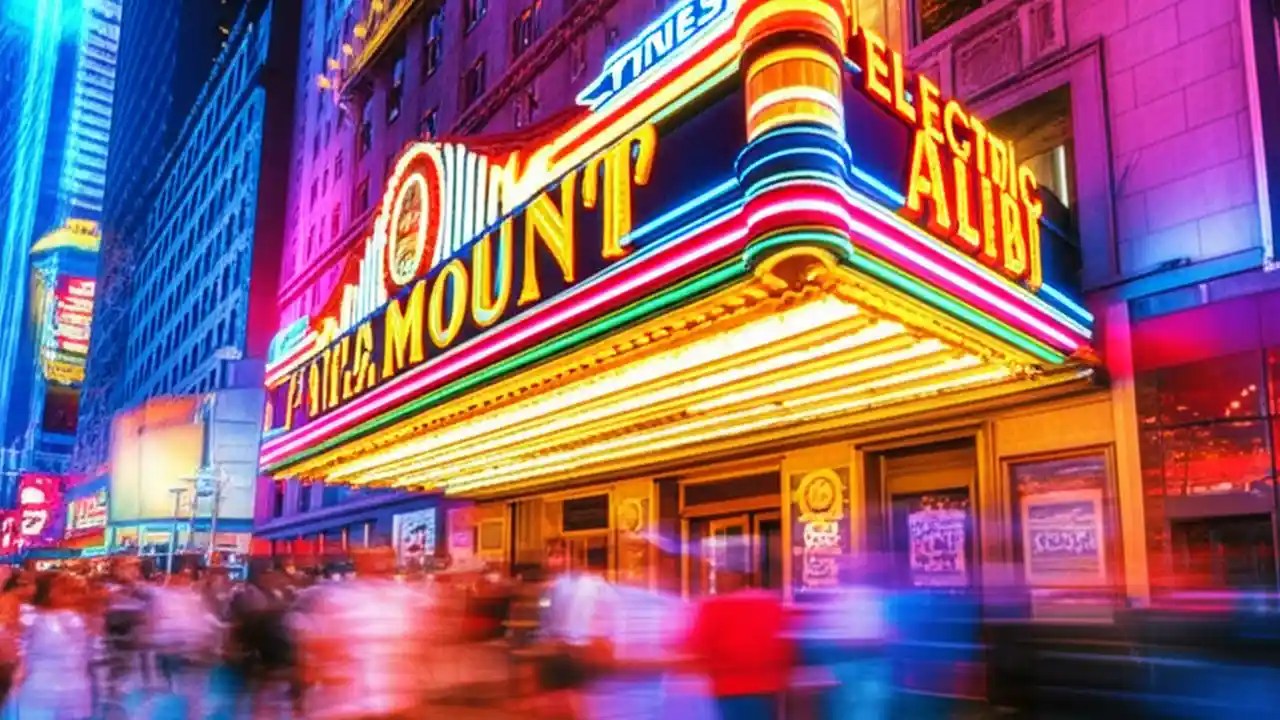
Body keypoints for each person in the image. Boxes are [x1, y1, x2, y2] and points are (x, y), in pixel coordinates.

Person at [685, 545, 793, 720]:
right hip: (769, 691)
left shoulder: (713, 607)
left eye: (719, 573)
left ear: (735, 575)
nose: (716, 579)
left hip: (730, 691)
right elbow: (787, 646)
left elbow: (696, 647)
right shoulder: (771, 602)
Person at [11, 572, 94, 719]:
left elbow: (84, 656)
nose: (78, 596)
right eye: (68, 591)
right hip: (40, 694)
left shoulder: (79, 619)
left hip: (74, 693)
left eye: (78, 591)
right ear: (50, 593)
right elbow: (18, 657)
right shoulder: (29, 618)